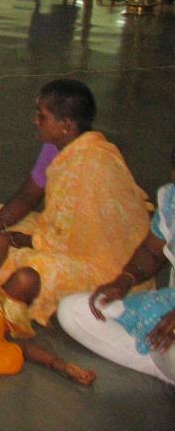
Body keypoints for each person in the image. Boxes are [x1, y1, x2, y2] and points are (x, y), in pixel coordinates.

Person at [0, 79, 152, 326]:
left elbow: (69, 238)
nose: (35, 120)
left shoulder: (91, 162)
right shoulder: (57, 146)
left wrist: (17, 239)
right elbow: (28, 196)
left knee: (32, 268)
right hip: (64, 235)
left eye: (41, 116)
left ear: (66, 126)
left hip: (104, 262)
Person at [57, 147, 175, 385]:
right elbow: (151, 252)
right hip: (167, 309)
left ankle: (165, 360)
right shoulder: (171, 198)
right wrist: (124, 281)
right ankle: (160, 362)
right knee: (74, 311)